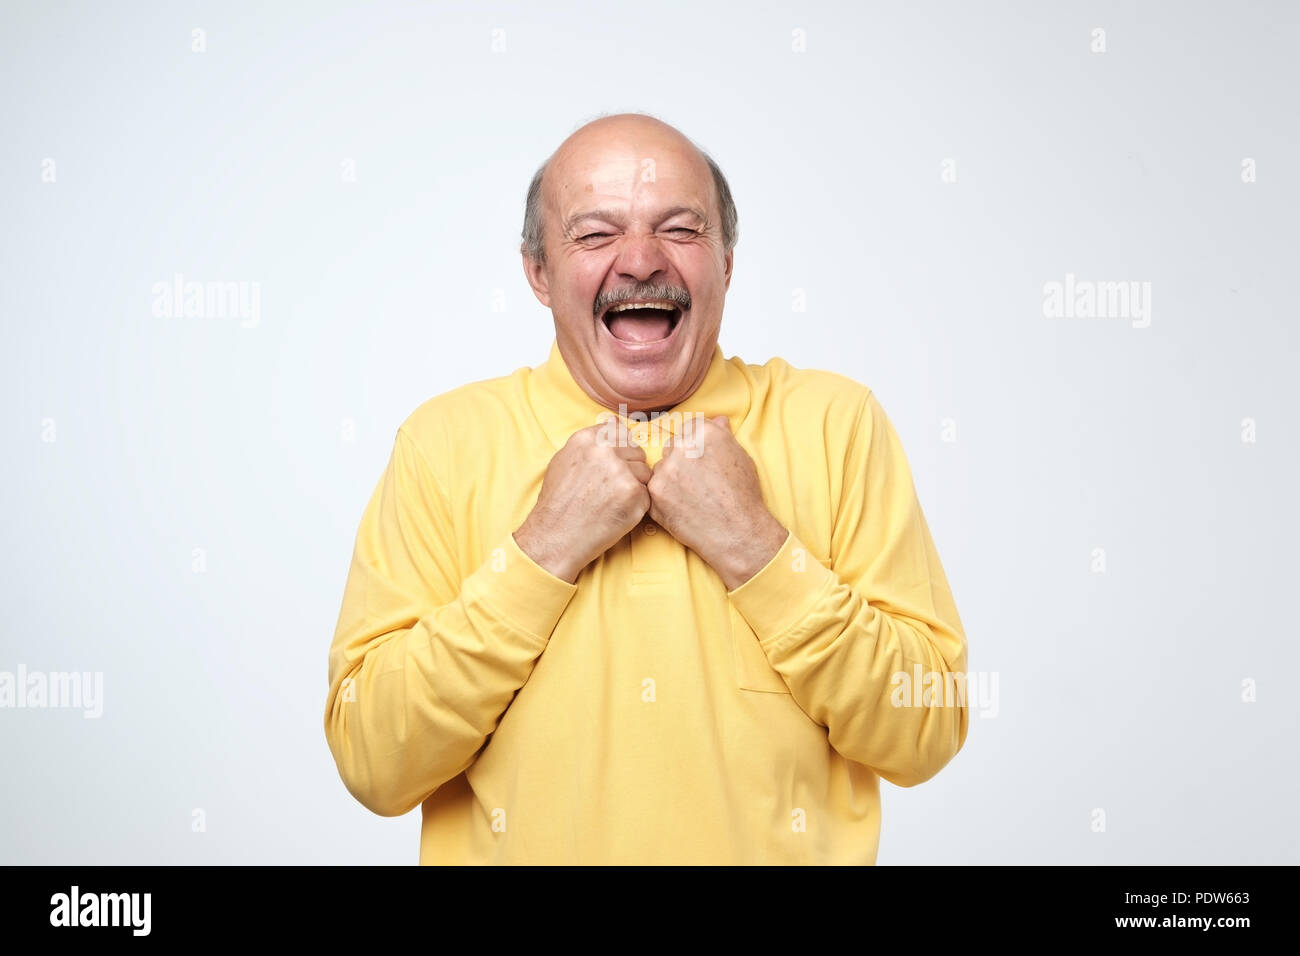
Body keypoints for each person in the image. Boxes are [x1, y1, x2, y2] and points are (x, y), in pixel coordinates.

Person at [324, 112, 968, 864]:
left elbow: (927, 729)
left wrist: (757, 549)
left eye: (681, 229)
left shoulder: (836, 425)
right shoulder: (442, 445)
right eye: (595, 234)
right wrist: (542, 551)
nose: (638, 261)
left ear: (726, 261)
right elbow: (373, 763)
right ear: (538, 272)